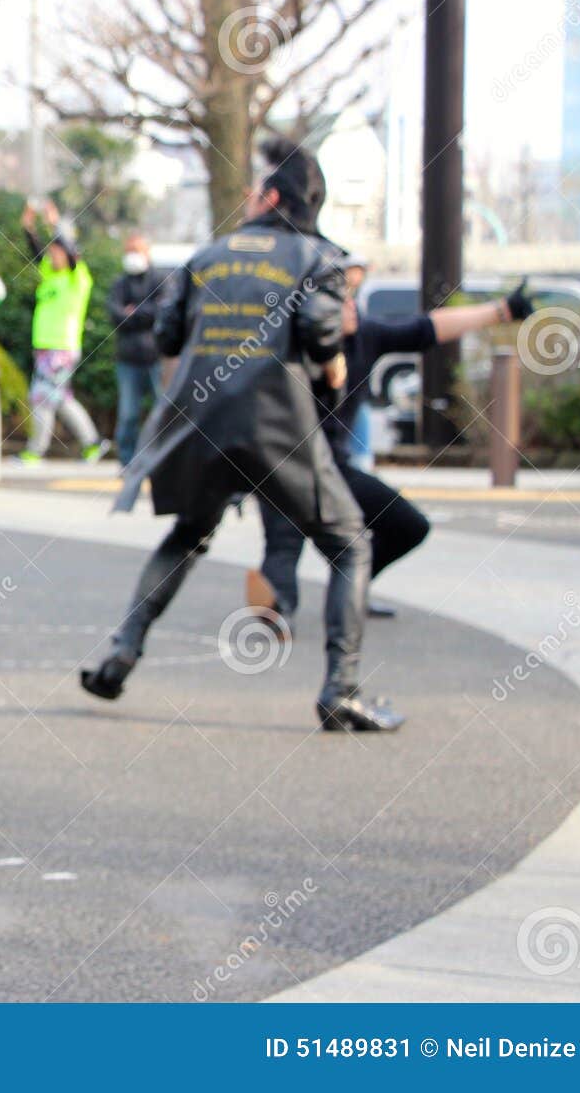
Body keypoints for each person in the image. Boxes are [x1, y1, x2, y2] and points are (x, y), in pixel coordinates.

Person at [82, 137, 403, 733]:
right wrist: (327, 362)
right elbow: (320, 330)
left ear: (272, 196)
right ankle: (341, 690)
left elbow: (168, 335)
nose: (250, 194)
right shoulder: (319, 258)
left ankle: (120, 655)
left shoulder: (207, 256)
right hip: (279, 426)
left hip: (201, 422)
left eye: (257, 187)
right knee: (349, 544)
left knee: (188, 535)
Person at [248, 257, 538, 625]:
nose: (351, 306)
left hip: (332, 470)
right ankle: (275, 611)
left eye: (352, 298)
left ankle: (350, 589)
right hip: (282, 468)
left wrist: (502, 310)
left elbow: (425, 329)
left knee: (408, 526)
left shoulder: (366, 337)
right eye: (340, 301)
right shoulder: (285, 345)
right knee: (283, 545)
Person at [18, 201, 109, 465]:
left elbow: (68, 249)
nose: (53, 255)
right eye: (52, 252)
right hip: (45, 346)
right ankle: (93, 444)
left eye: (58, 252)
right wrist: (29, 226)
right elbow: (36, 252)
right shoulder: (51, 275)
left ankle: (35, 451)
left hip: (62, 348)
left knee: (41, 396)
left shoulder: (77, 279)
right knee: (59, 399)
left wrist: (54, 223)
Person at [107, 233, 165, 465]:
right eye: (129, 250)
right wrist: (141, 313)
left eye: (136, 250)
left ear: (147, 252)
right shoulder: (120, 283)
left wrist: (134, 311)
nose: (132, 256)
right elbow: (115, 314)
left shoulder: (160, 280)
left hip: (155, 358)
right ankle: (127, 463)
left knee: (162, 414)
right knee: (128, 415)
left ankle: (160, 460)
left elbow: (161, 311)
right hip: (127, 359)